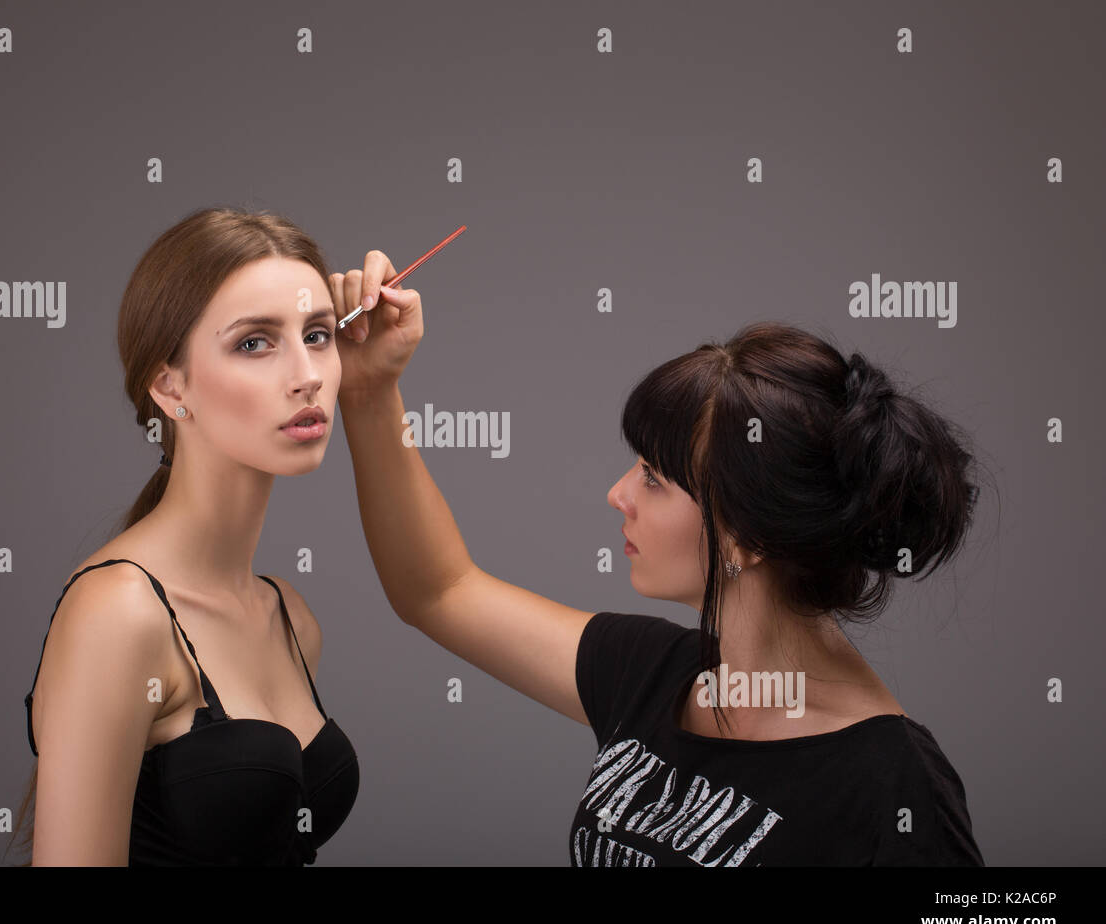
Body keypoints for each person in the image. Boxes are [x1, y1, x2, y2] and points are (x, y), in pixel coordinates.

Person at [332, 251, 986, 866]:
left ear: (745, 536)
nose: (617, 494)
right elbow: (438, 592)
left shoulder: (895, 787)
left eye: (652, 476)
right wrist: (369, 390)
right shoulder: (649, 675)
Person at [7, 208, 359, 866]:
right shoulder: (118, 612)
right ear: (170, 387)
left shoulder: (289, 617)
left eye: (318, 334)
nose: (307, 373)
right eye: (255, 342)